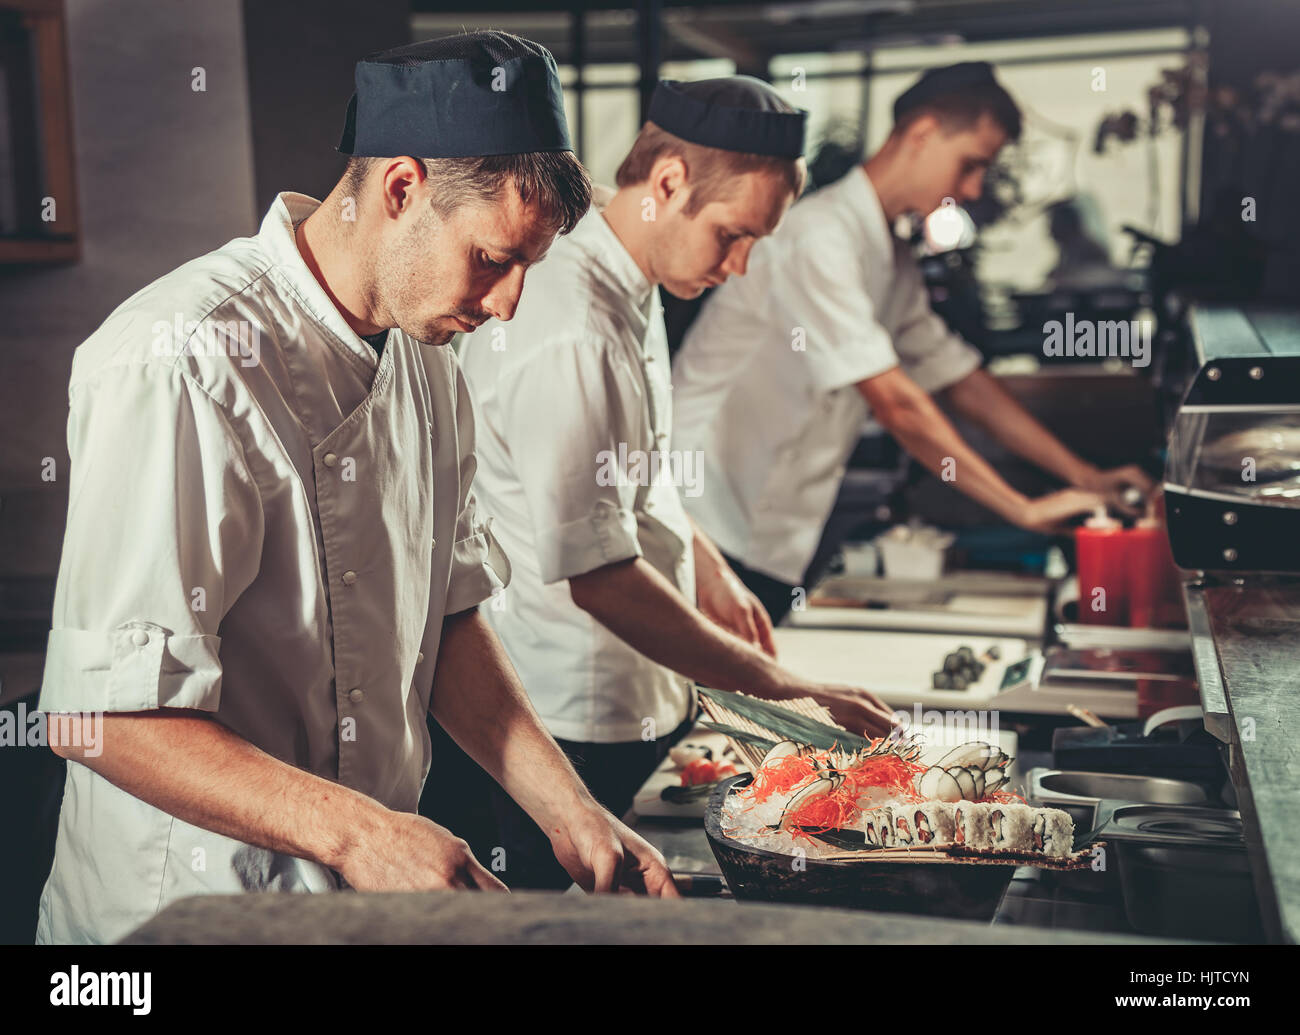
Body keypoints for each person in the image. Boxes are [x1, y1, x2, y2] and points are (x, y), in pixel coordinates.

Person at [36, 32, 679, 946]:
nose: (508, 305)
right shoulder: (180, 360)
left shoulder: (428, 360)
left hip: (356, 905)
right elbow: (101, 716)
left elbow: (451, 617)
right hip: (176, 917)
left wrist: (569, 810)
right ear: (402, 188)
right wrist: (365, 832)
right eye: (494, 258)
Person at [456, 77, 896, 891]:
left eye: (756, 243)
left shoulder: (633, 278)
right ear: (667, 184)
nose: (739, 267)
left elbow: (631, 475)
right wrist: (786, 690)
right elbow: (599, 579)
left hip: (635, 697)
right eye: (733, 236)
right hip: (568, 713)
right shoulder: (573, 327)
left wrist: (708, 562)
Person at [671, 62, 1155, 624]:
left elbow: (961, 380)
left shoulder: (890, 256)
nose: (973, 188)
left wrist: (1087, 478)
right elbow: (896, 401)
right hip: (701, 519)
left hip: (773, 536)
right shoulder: (818, 237)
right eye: (971, 164)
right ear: (922, 134)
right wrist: (1023, 509)